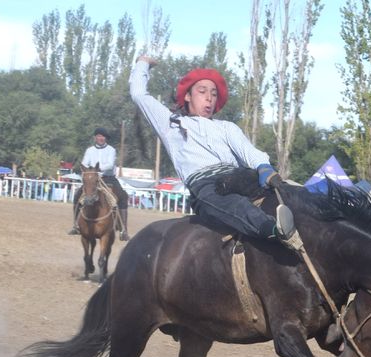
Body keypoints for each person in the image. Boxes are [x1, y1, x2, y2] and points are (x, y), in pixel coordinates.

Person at [129, 55, 300, 250]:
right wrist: (143, 63)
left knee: (288, 190)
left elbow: (246, 150)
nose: (209, 97)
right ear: (187, 96)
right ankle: (272, 229)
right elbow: (139, 94)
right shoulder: (172, 124)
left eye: (213, 93)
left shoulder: (226, 127)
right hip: (206, 185)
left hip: (238, 177)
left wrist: (263, 166)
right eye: (202, 91)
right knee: (232, 204)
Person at [68, 128, 131, 240]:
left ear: (105, 138)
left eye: (103, 136)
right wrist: (90, 171)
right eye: (98, 136)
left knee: (122, 196)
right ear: (95, 138)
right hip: (92, 179)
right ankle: (76, 225)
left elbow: (110, 165)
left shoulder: (111, 150)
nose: (101, 138)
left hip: (108, 178)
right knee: (77, 196)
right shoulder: (89, 150)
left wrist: (98, 169)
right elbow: (84, 163)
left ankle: (123, 230)